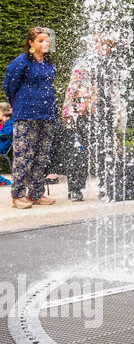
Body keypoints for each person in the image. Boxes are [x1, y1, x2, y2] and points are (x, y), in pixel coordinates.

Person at [3, 27, 58, 208]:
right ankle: (17, 195)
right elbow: (9, 85)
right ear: (31, 43)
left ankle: (36, 193)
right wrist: (18, 102)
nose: (45, 43)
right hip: (26, 114)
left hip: (47, 113)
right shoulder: (21, 62)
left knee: (41, 156)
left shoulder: (48, 62)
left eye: (47, 40)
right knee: (23, 154)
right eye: (41, 40)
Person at [62, 33, 119, 202]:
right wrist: (67, 111)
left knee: (103, 151)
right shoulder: (83, 63)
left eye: (107, 46)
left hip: (105, 112)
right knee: (79, 152)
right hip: (84, 113)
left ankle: (104, 186)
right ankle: (75, 188)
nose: (105, 49)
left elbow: (115, 90)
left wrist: (118, 112)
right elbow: (72, 88)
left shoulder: (111, 66)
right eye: (101, 45)